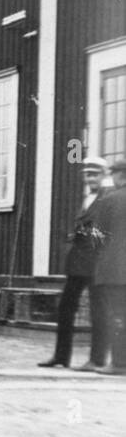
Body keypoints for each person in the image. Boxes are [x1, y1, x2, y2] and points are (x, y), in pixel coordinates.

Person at [37, 158, 111, 370]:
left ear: (103, 175)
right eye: (88, 174)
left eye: (95, 174)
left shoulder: (108, 199)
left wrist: (81, 234)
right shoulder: (87, 198)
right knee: (65, 308)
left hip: (97, 264)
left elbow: (105, 233)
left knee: (99, 312)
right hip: (78, 263)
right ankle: (61, 357)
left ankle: (97, 360)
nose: (91, 178)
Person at [92, 159, 126, 376]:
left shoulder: (109, 200)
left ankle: (119, 363)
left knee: (118, 316)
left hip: (115, 270)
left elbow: (97, 238)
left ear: (119, 175)